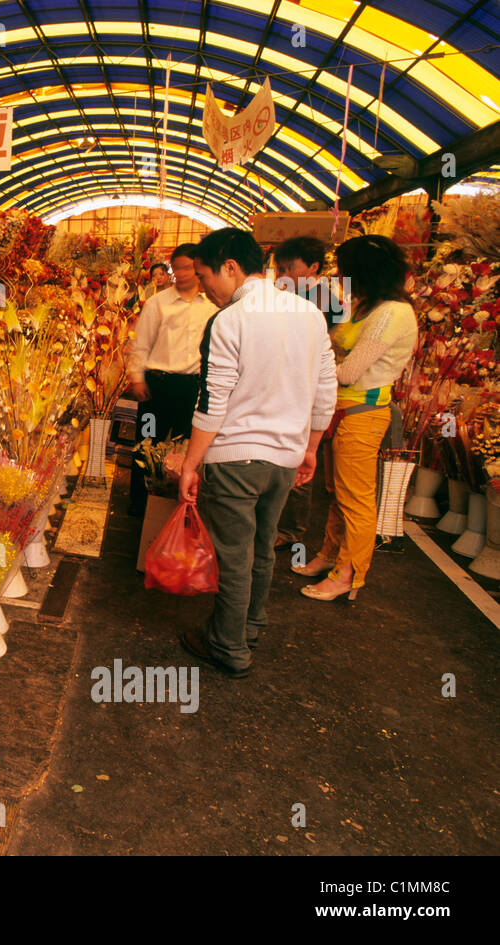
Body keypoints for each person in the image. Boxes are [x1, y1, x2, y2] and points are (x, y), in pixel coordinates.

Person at [177, 228, 337, 678]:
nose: (206, 287)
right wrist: (310, 447)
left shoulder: (231, 320)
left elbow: (213, 400)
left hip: (235, 459)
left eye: (207, 276)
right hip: (284, 459)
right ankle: (250, 626)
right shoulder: (309, 313)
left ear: (231, 267)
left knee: (234, 556)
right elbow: (326, 388)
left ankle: (227, 646)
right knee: (262, 549)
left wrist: (190, 464)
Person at [292, 235, 418, 601]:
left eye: (344, 271)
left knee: (356, 499)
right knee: (337, 492)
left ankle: (348, 575)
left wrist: (316, 360)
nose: (339, 277)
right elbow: (337, 348)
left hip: (363, 413)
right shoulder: (368, 306)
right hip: (342, 410)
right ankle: (329, 556)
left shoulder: (392, 313)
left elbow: (349, 373)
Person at [126, 244, 217, 516]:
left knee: (185, 447)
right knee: (147, 442)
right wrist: (137, 377)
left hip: (192, 387)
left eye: (188, 267)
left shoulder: (211, 306)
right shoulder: (158, 303)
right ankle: (139, 505)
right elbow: (140, 343)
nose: (182, 273)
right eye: (176, 268)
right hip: (158, 386)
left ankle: (177, 506)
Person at [271, 235, 345, 551]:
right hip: (286, 385)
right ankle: (279, 522)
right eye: (278, 269)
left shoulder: (323, 301)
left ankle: (291, 529)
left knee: (299, 456)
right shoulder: (283, 298)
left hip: (306, 388)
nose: (281, 276)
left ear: (313, 267)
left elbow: (328, 347)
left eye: (288, 268)